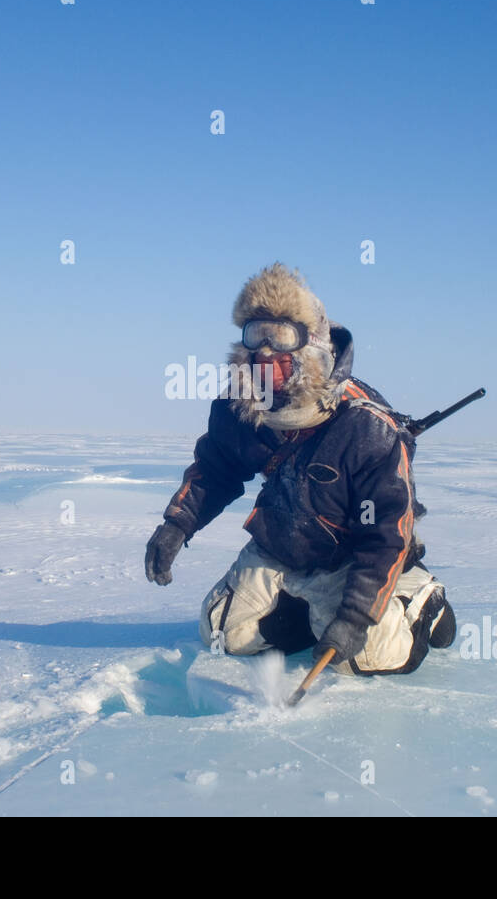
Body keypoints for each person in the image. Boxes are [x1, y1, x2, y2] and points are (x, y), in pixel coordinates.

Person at [144, 263, 456, 675]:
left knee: (367, 656)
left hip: (354, 558)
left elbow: (385, 533)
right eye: (257, 337)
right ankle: (311, 614)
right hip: (282, 550)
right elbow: (217, 469)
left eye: (283, 339)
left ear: (310, 350)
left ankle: (420, 600)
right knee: (223, 633)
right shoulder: (240, 412)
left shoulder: (366, 427)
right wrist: (177, 525)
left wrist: (357, 616)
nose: (266, 354)